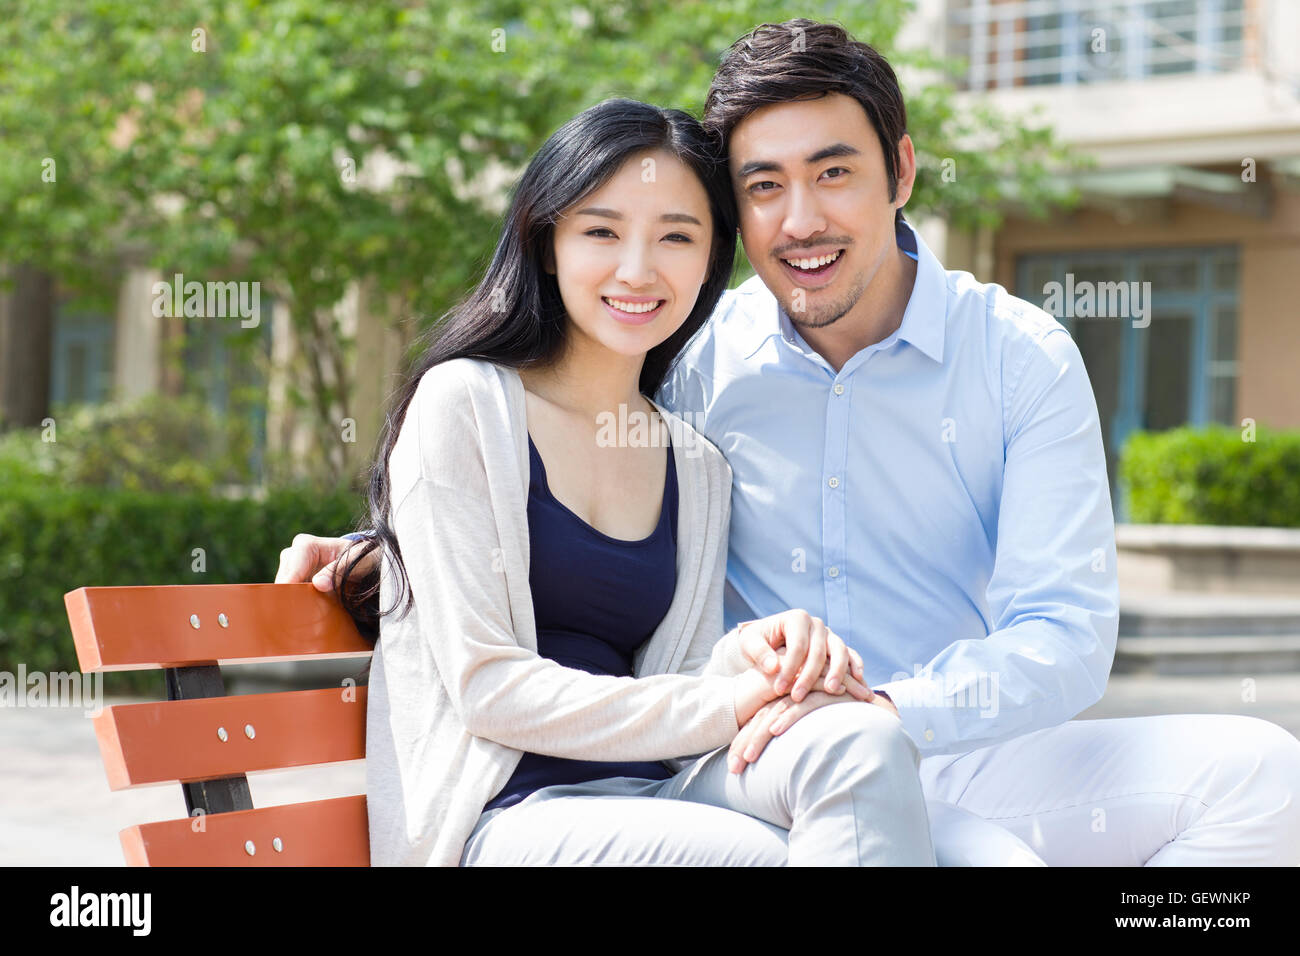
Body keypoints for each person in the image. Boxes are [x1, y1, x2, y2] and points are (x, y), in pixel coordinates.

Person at [281, 20, 1300, 866]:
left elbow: (1064, 634)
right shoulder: (689, 357)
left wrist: (891, 702)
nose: (799, 218)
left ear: (899, 171)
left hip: (948, 737)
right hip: (756, 750)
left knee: (1262, 771)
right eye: (763, 185)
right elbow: (537, 479)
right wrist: (380, 550)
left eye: (832, 172)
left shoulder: (1016, 357)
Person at [316, 96, 939, 866]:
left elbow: (674, 683)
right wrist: (724, 700)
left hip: (653, 796)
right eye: (602, 232)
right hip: (500, 819)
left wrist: (760, 657)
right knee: (766, 855)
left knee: (863, 740)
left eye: (676, 236)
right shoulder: (465, 404)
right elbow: (486, 687)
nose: (638, 270)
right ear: (548, 243)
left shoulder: (695, 464)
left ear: (712, 258)